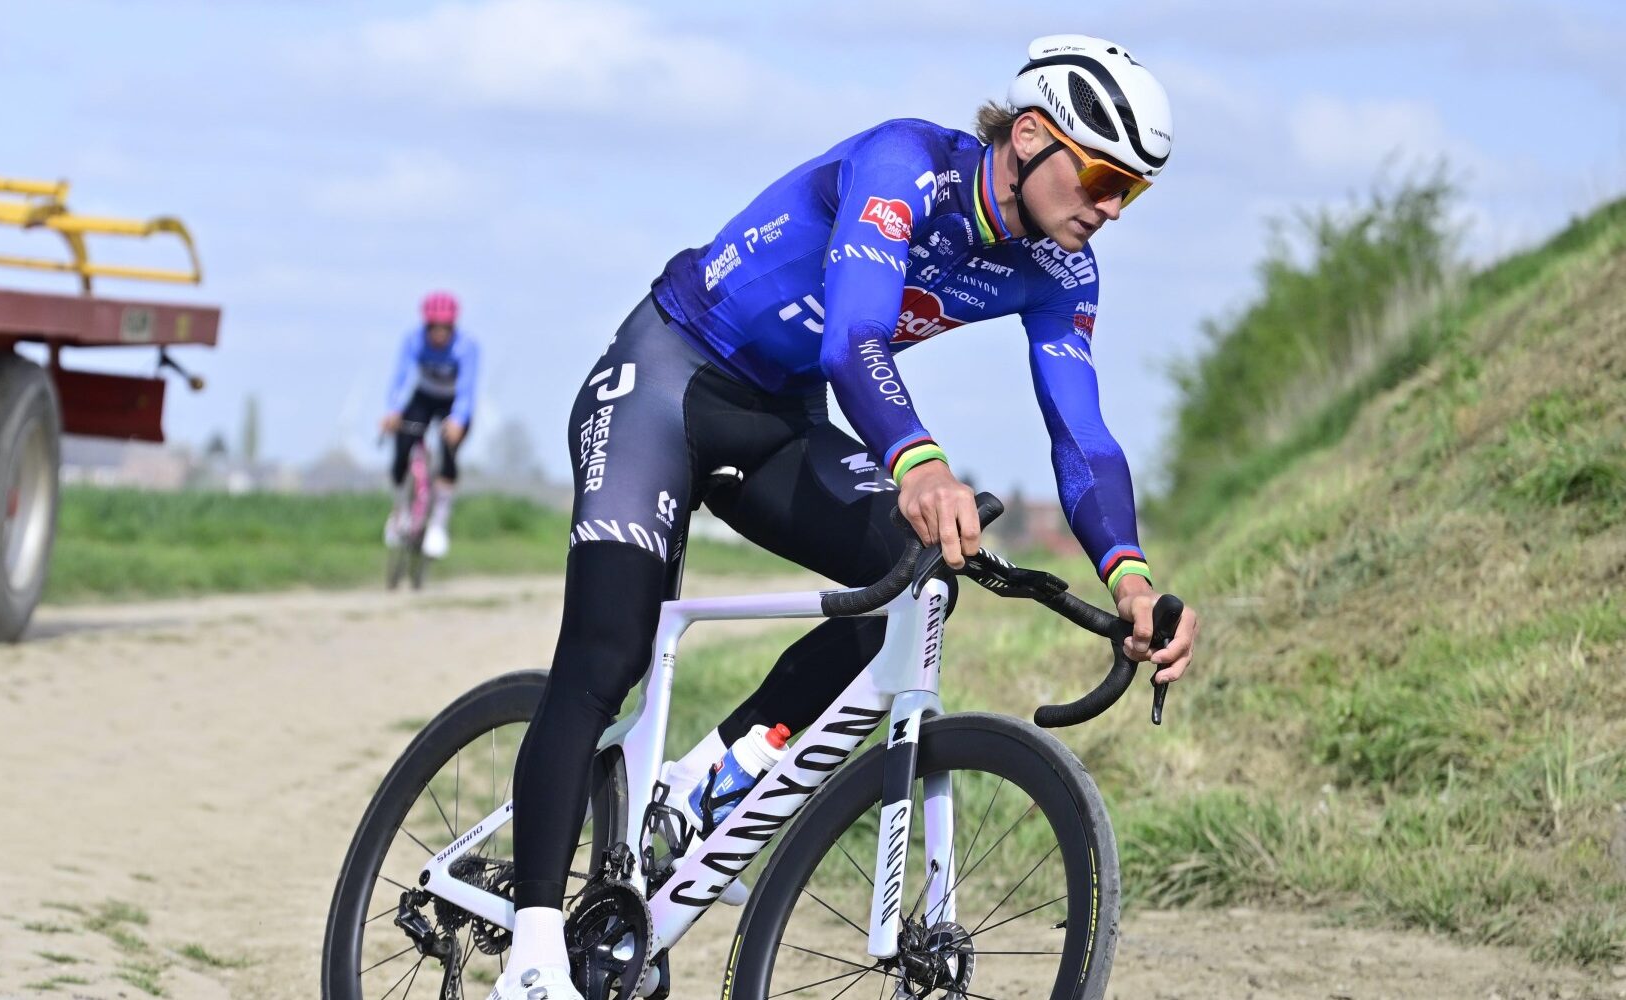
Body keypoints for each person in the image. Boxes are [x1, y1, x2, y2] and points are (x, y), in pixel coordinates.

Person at [488, 36, 1204, 1000]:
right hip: (665, 378)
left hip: (776, 424)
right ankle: (534, 956)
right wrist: (919, 460)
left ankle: (704, 783)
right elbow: (853, 338)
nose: (1112, 208)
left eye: (1135, 192)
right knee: (607, 653)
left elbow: (1083, 435)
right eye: (1105, 178)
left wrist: (1133, 579)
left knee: (911, 576)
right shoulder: (906, 164)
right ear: (1032, 137)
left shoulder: (1063, 269)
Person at [380, 290, 478, 559]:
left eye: (445, 328)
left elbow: (467, 389)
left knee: (448, 453)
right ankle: (400, 511)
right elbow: (400, 378)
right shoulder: (413, 340)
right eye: (434, 327)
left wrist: (458, 421)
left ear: (452, 326)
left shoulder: (466, 347)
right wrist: (392, 411)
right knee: (402, 447)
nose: (439, 334)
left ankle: (438, 524)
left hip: (453, 403)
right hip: (423, 398)